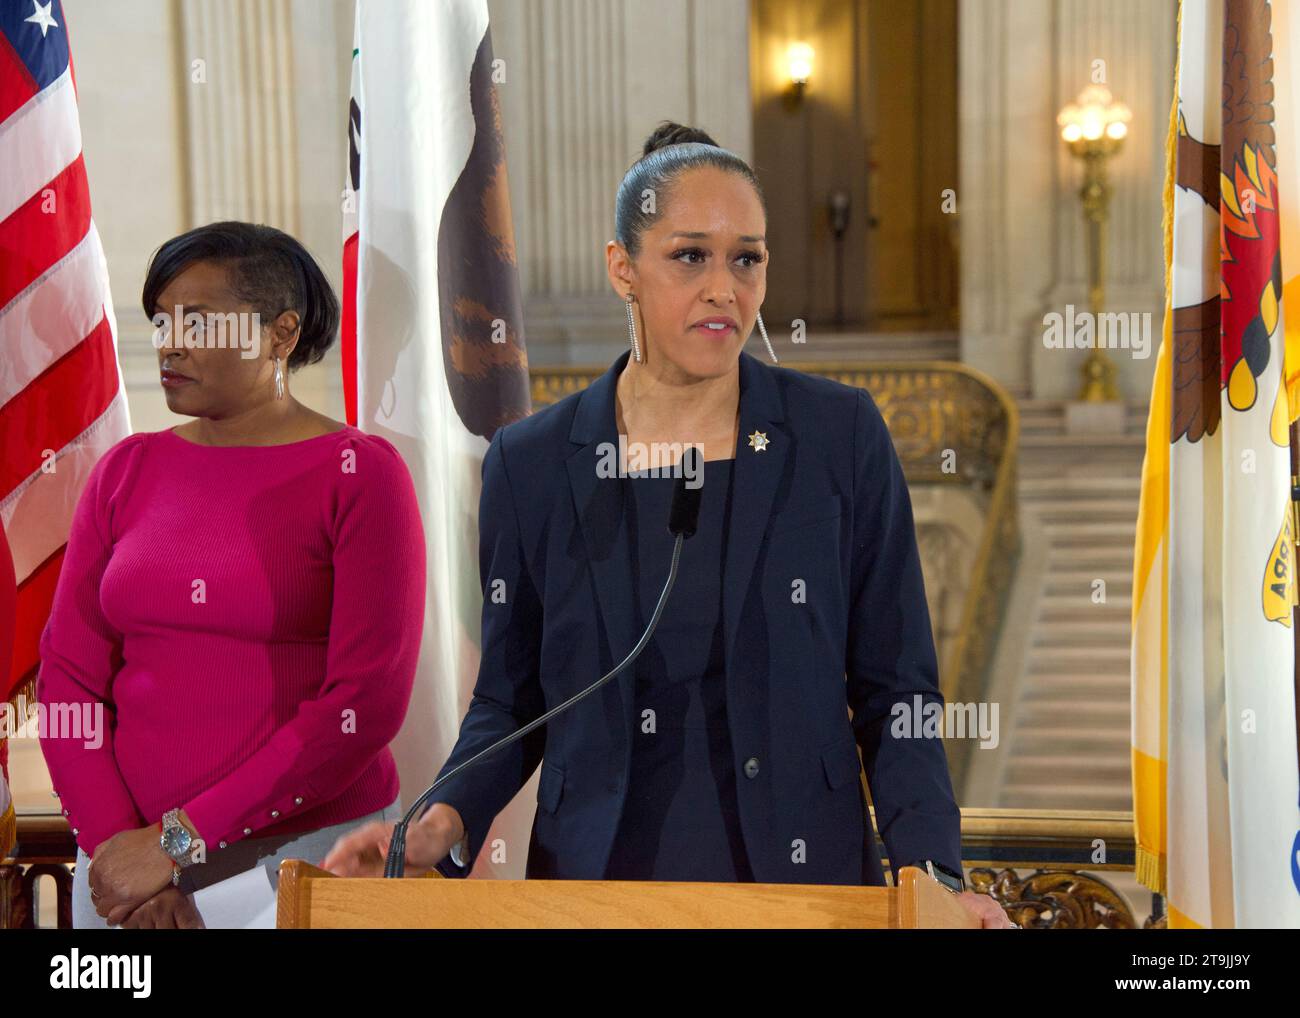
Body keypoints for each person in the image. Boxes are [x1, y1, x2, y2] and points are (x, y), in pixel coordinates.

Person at [324, 123, 1011, 927]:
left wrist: (931, 872)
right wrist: (441, 820)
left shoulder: (839, 436)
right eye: (690, 256)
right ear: (623, 268)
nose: (725, 288)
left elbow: (898, 694)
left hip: (804, 887)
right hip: (599, 885)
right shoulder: (534, 462)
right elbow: (512, 703)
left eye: (746, 258)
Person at [37, 221, 426, 928]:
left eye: (199, 322)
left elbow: (363, 704)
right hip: (123, 877)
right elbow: (69, 678)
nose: (170, 342)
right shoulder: (125, 471)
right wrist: (119, 855)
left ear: (280, 335)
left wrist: (176, 841)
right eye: (162, 321)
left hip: (305, 861)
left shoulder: (360, 475)